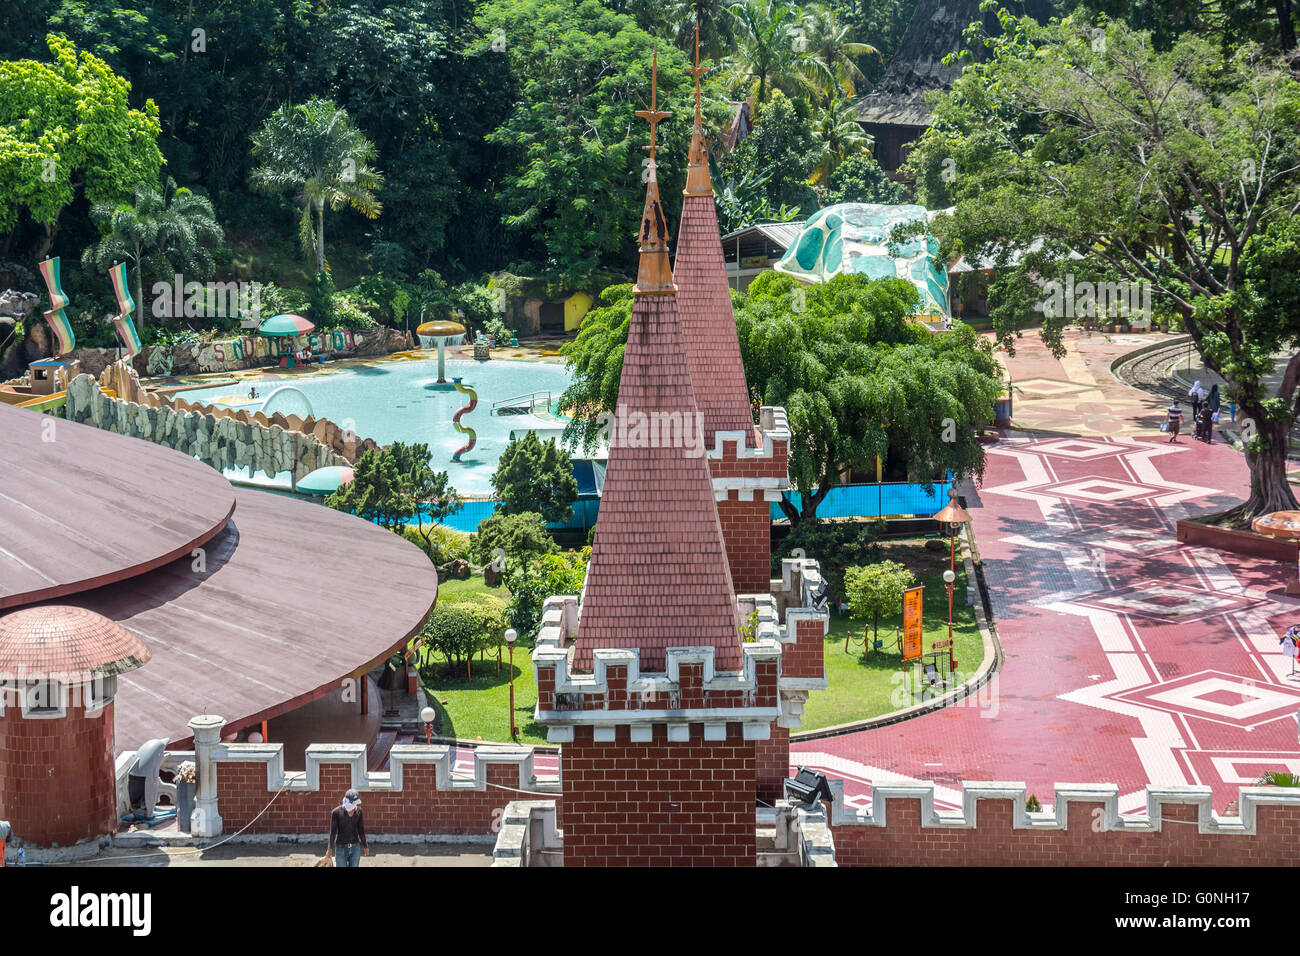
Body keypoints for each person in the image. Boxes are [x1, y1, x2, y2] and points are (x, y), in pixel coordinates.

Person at [326, 788, 369, 867]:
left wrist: (365, 846)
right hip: (341, 849)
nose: (350, 811)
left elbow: (361, 830)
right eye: (348, 808)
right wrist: (330, 848)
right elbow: (333, 832)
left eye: (352, 808)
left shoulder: (359, 811)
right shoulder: (336, 813)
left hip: (355, 848)